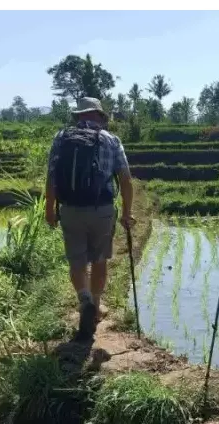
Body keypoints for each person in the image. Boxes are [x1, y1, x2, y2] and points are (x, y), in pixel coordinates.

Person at [45, 97, 134, 341]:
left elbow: (52, 177)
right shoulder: (111, 140)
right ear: (98, 116)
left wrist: (49, 210)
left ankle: (83, 298)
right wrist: (126, 212)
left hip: (71, 209)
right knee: (99, 259)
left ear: (79, 116)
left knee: (76, 259)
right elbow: (125, 180)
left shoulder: (62, 138)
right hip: (101, 209)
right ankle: (95, 304)